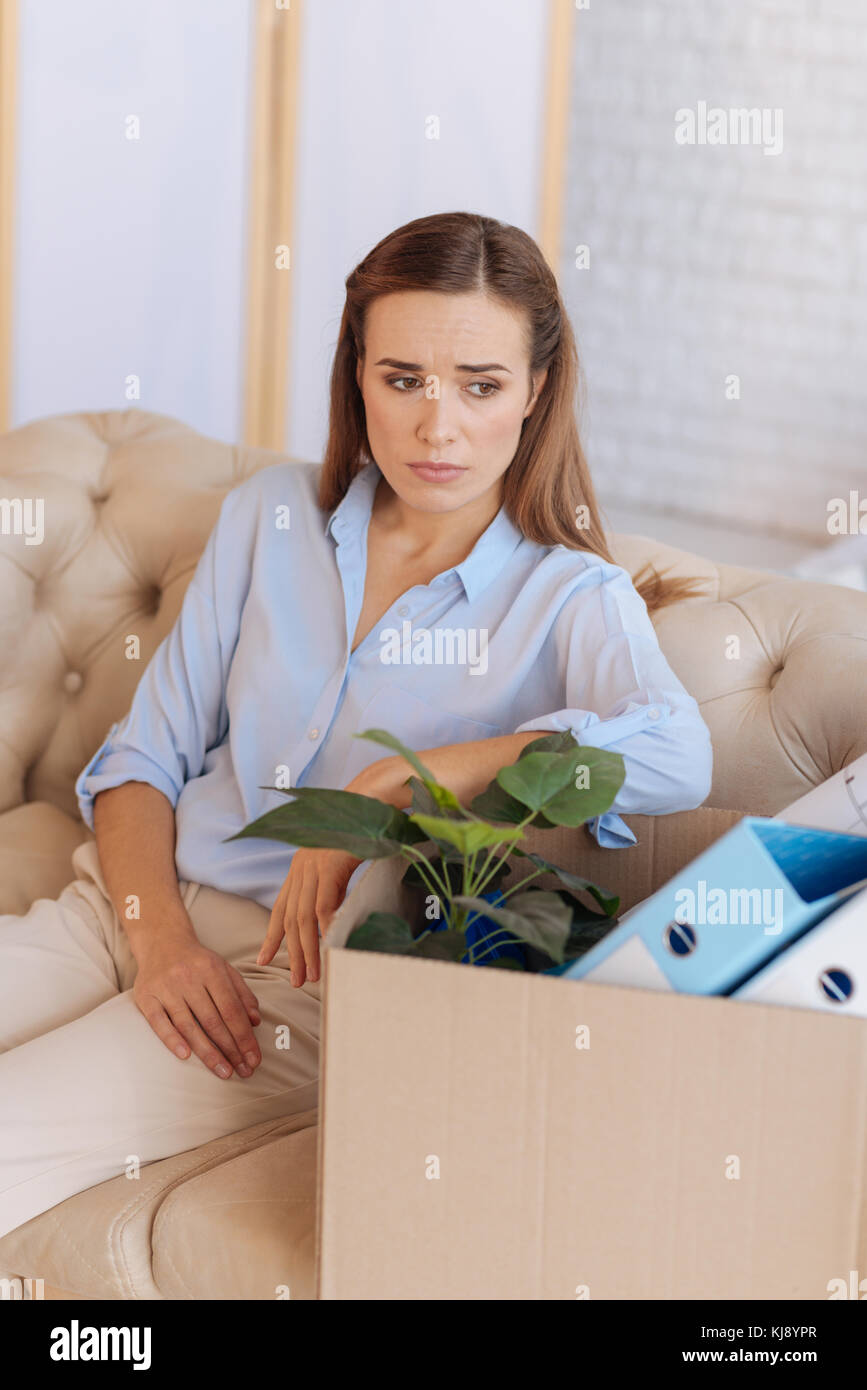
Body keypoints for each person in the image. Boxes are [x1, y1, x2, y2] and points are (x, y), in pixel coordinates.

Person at [0, 211, 712, 1240]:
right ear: (357, 373)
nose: (439, 428)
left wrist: (404, 779)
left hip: (289, 989)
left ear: (536, 391)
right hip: (125, 909)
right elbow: (140, 763)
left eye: (481, 384)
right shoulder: (268, 516)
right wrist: (157, 940)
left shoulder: (571, 598)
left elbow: (678, 754)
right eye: (403, 379)